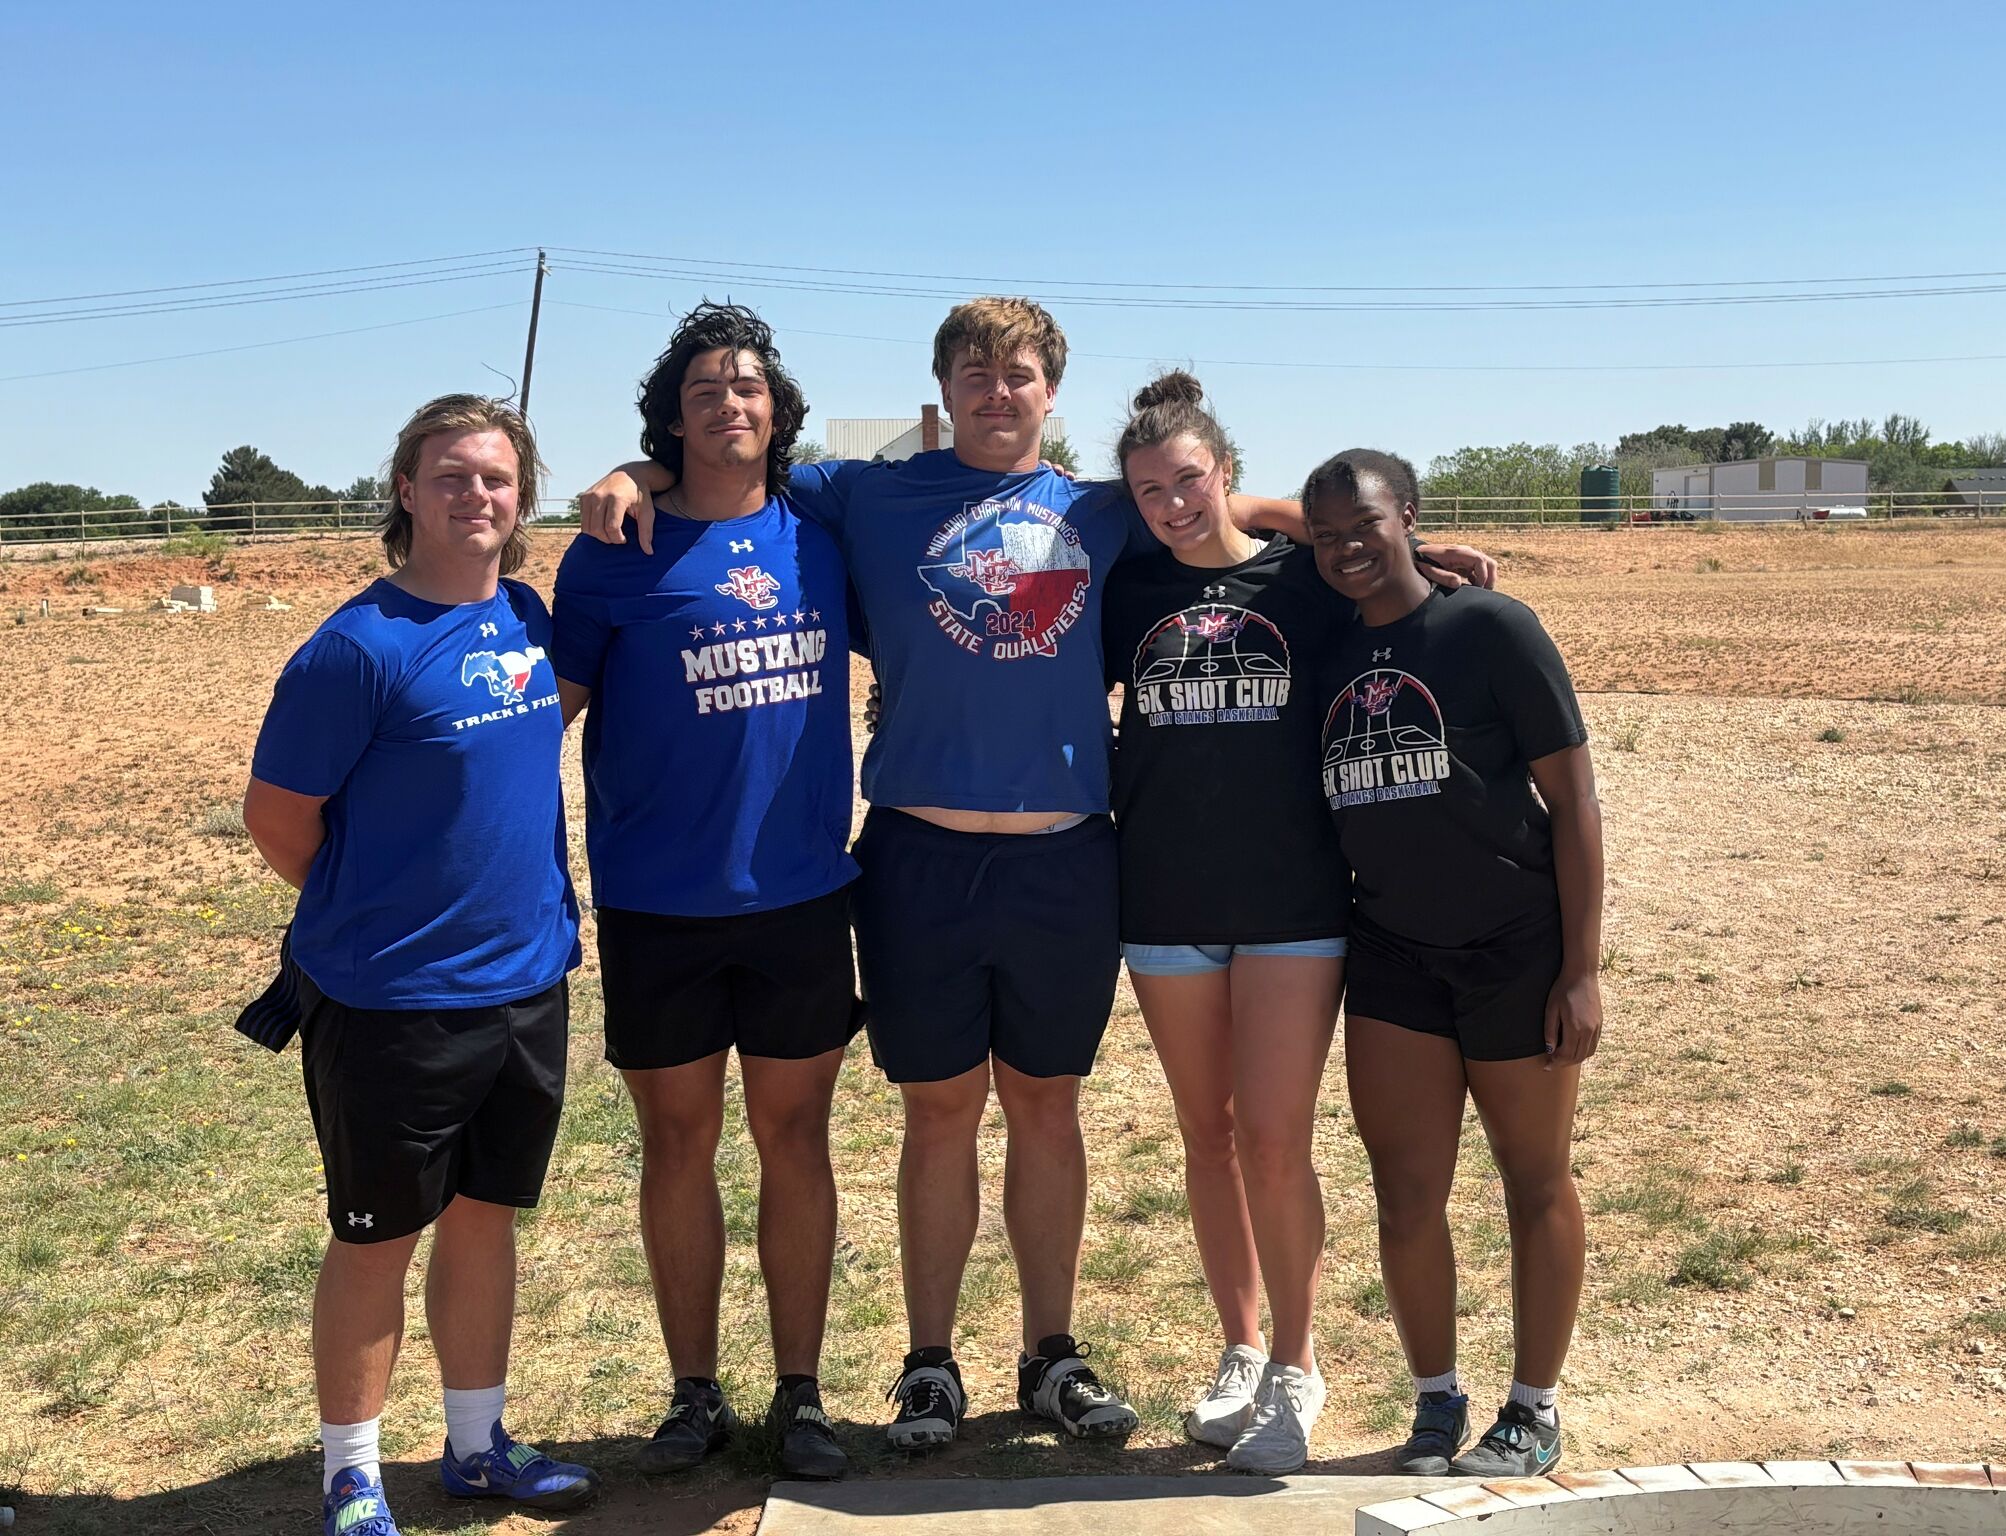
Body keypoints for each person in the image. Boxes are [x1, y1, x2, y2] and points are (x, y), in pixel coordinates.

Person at [578, 298, 1493, 1452]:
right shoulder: (861, 492)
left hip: (1067, 855)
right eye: (973, 370)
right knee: (938, 1113)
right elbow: (726, 460)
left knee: (1046, 1110)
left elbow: (1210, 501)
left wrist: (1382, 543)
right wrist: (629, 470)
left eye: (1017, 372)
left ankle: (1049, 1352)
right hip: (916, 852)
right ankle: (927, 1362)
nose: (995, 390)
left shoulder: (1097, 508)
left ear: (1050, 392)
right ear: (942, 388)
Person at [241, 396, 595, 1536]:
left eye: (494, 477)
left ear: (521, 495)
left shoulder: (531, 620)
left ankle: (477, 1443)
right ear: (405, 490)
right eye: (449, 475)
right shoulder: (356, 649)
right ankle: (352, 1471)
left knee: (486, 1219)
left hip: (527, 986)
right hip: (393, 1001)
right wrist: (371, 915)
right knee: (374, 1239)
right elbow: (278, 821)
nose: (473, 496)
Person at [550, 303, 859, 1481]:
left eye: (746, 388)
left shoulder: (820, 530)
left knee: (796, 1140)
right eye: (701, 392)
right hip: (656, 899)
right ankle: (692, 1393)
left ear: (775, 410)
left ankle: (801, 1394)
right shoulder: (613, 550)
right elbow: (552, 713)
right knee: (675, 1145)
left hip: (797, 897)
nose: (728, 404)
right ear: (667, 420)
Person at [1305, 449, 1604, 1479]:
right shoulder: (1327, 646)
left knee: (1533, 1180)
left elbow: (1573, 802)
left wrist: (1580, 969)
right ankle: (1434, 1401)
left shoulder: (1489, 628)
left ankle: (1533, 1406)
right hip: (1389, 955)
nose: (1346, 547)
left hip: (1516, 949)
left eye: (1367, 526)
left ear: (1411, 519)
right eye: (1326, 532)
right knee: (1403, 1194)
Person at [1099, 373, 1354, 1472]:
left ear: (1227, 475)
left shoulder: (1303, 583)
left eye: (1189, 481)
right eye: (1148, 489)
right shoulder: (1123, 588)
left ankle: (1298, 1370)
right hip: (1162, 894)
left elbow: (1367, 542)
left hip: (1292, 898)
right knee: (1206, 1134)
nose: (1170, 504)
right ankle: (1240, 1350)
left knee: (1272, 1137)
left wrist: (1436, 555)